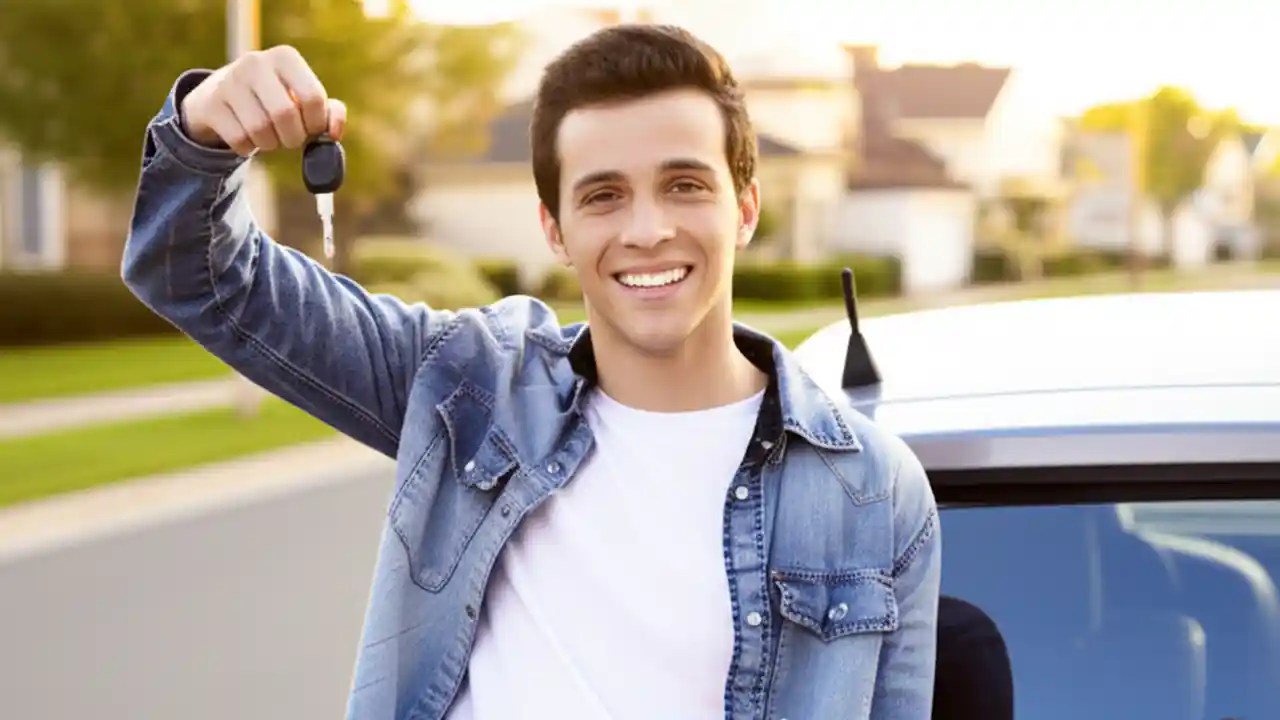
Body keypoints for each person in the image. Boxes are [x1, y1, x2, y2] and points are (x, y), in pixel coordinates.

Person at [122, 23, 940, 720]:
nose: (648, 230)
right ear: (553, 228)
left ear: (746, 206)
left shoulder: (873, 489)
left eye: (685, 185)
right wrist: (204, 132)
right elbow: (197, 277)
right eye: (603, 197)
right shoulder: (468, 389)